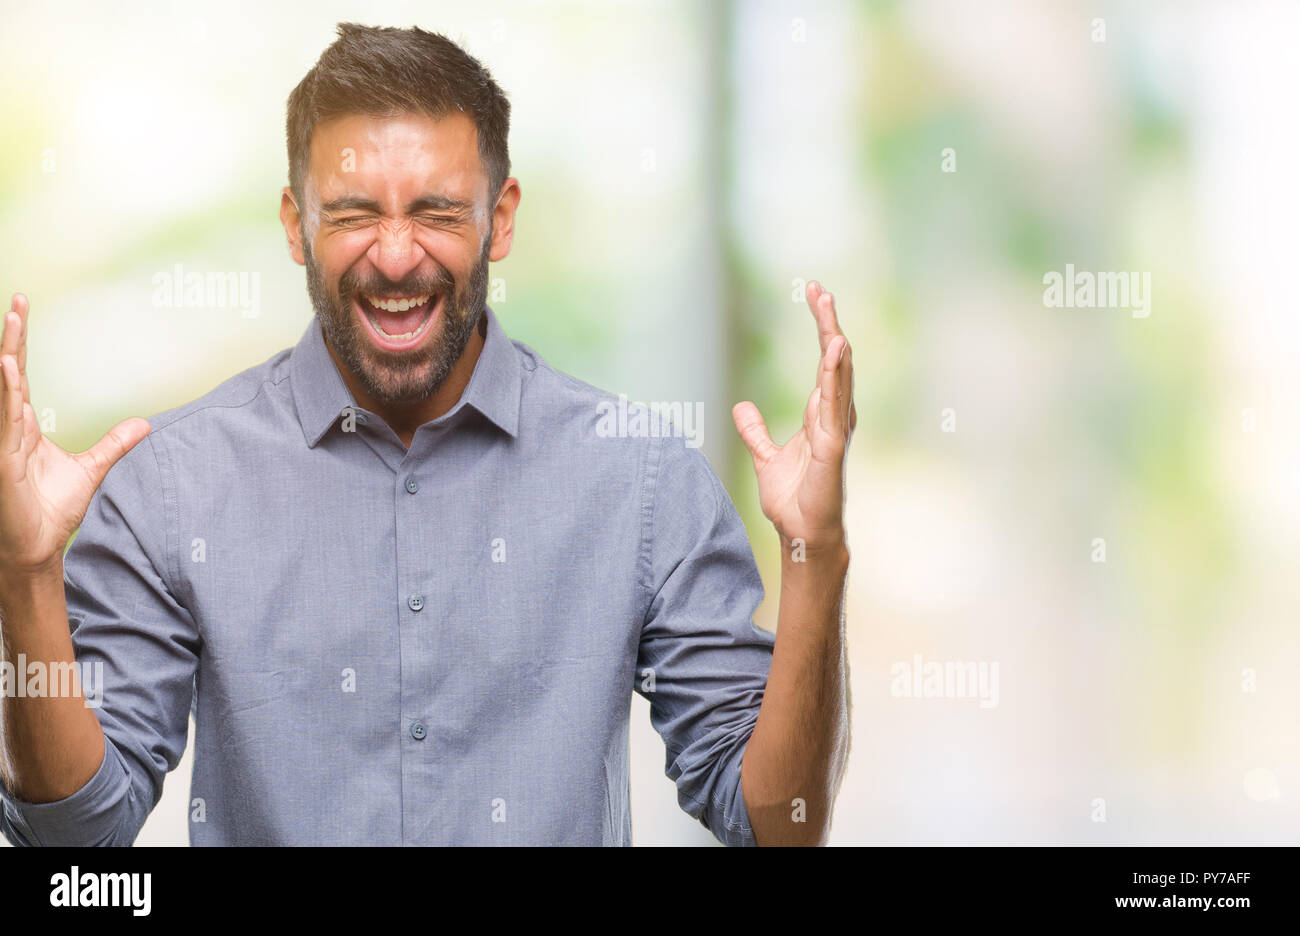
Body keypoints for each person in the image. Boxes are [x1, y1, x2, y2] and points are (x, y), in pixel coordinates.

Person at [0, 23, 854, 846]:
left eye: (438, 210)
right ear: (297, 225)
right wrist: (26, 575)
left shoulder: (642, 481)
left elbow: (780, 826)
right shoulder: (170, 487)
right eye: (354, 212)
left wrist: (817, 554)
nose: (398, 254)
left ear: (501, 218)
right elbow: (79, 833)